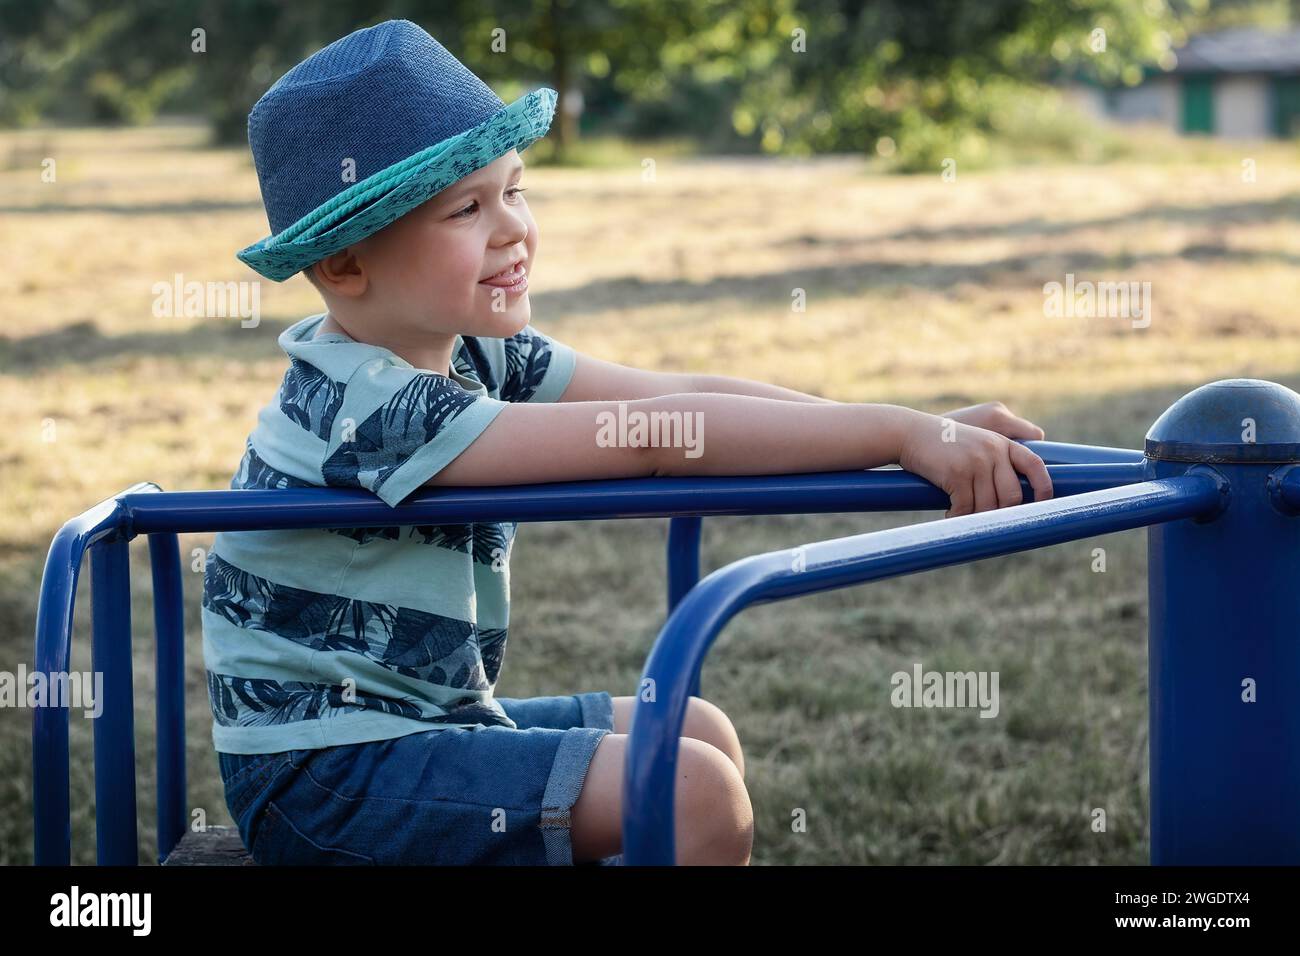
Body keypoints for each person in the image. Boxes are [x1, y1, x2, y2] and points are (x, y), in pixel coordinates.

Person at [207, 19, 1052, 867]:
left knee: (695, 728)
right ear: (347, 266)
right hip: (322, 775)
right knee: (691, 794)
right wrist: (900, 434)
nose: (513, 231)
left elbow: (678, 397)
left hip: (423, 722)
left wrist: (906, 426)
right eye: (466, 208)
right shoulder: (367, 403)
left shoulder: (478, 349)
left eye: (516, 189)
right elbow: (655, 439)